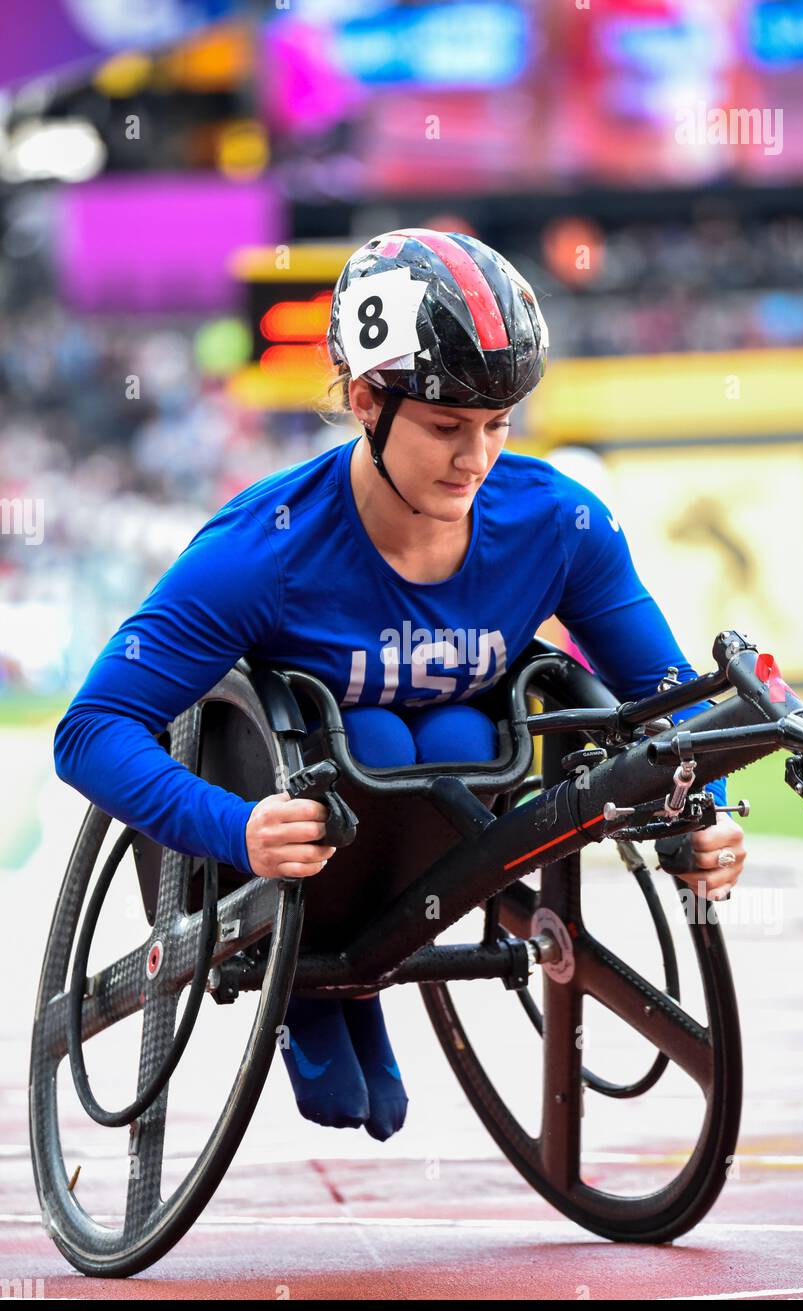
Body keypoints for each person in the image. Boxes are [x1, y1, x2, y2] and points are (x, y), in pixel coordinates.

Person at [54, 227, 746, 1144]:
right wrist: (236, 829)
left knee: (463, 737)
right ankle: (310, 980)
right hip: (279, 820)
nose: (477, 459)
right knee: (375, 740)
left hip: (442, 828)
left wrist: (711, 812)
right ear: (366, 399)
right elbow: (93, 728)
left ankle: (365, 966)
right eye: (447, 428)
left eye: (498, 425)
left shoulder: (561, 524)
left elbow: (667, 693)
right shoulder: (260, 552)